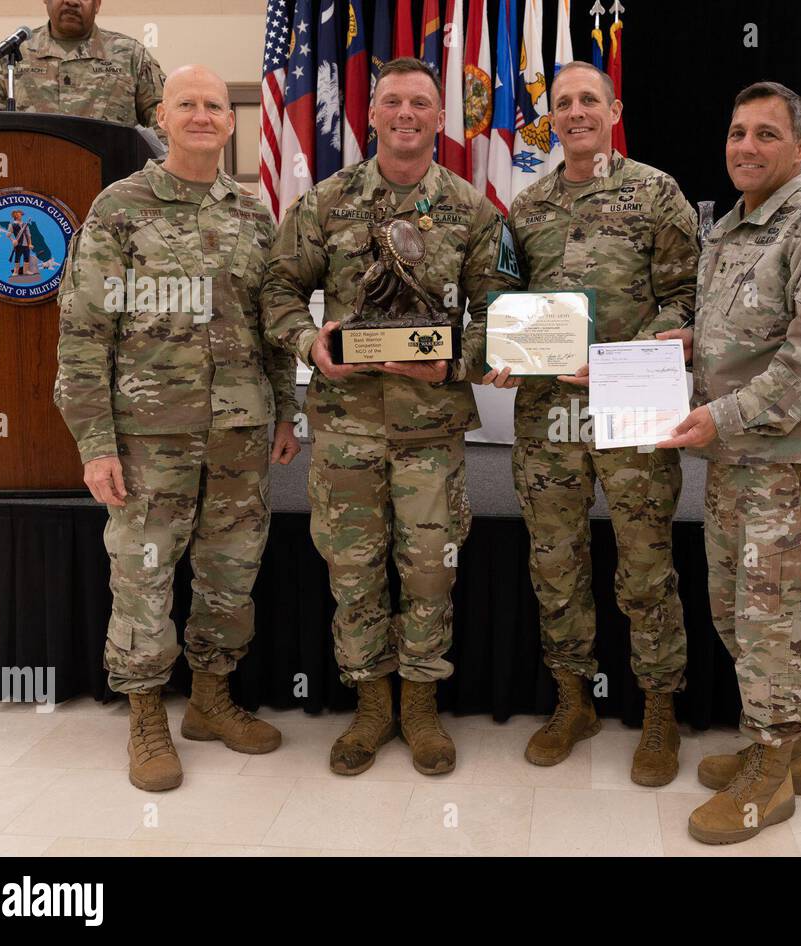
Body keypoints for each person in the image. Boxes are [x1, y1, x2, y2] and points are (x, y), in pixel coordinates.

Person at [261, 57, 520, 777]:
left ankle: (420, 705)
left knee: (431, 571)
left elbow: (497, 315)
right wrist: (309, 341)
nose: (406, 114)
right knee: (352, 570)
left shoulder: (473, 211)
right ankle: (372, 702)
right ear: (371, 115)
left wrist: (454, 363)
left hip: (429, 431)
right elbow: (277, 290)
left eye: (421, 104)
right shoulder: (326, 203)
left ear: (441, 119)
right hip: (345, 428)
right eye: (392, 102)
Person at [55, 65, 298, 792]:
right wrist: (95, 443)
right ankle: (145, 714)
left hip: (239, 433)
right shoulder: (120, 208)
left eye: (213, 106)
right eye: (186, 104)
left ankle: (212, 700)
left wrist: (285, 410)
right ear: (162, 118)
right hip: (148, 435)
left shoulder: (254, 213)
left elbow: (273, 323)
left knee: (230, 571)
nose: (201, 115)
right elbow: (82, 331)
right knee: (144, 573)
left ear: (231, 122)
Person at [659, 81, 801, 843]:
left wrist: (716, 414)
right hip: (729, 460)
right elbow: (730, 338)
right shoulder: (729, 230)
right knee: (734, 612)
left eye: (765, 135)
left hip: (785, 464)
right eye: (736, 132)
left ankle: (772, 773)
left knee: (772, 620)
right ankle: (790, 745)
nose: (745, 147)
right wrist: (672, 354)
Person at [506, 61, 699, 786]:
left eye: (590, 99)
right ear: (551, 118)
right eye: (564, 103)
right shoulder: (525, 208)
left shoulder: (657, 193)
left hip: (634, 404)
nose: (577, 111)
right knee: (555, 562)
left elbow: (687, 301)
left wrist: (626, 357)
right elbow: (506, 300)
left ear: (613, 110)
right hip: (547, 414)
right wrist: (504, 348)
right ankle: (572, 699)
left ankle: (657, 711)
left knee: (645, 564)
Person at [0, 0, 165, 135]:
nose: (72, 1)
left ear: (97, 4)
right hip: (30, 178)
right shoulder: (13, 55)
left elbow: (165, 120)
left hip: (110, 182)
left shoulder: (130, 54)